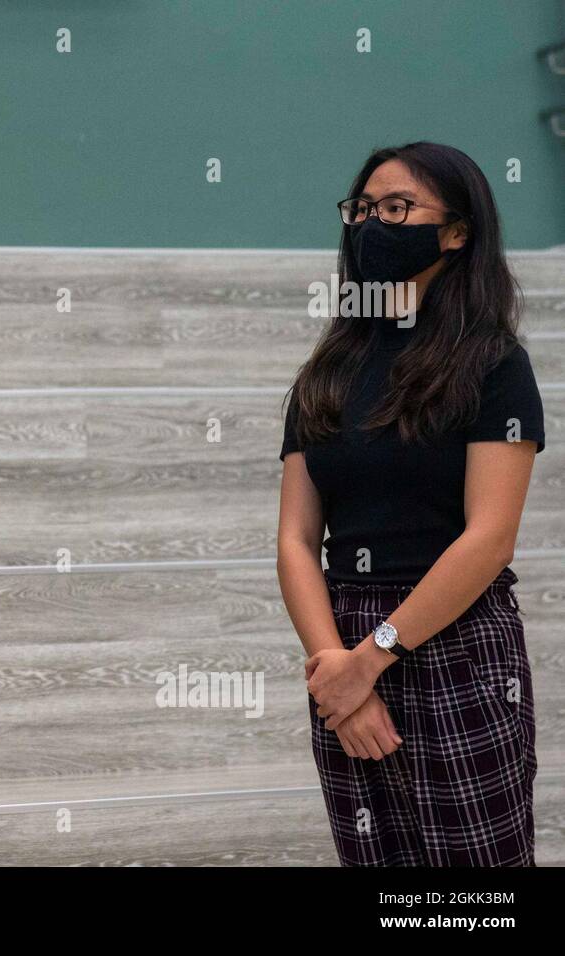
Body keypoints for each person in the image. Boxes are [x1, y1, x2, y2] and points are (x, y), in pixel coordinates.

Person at [277, 142, 545, 866]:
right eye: (362, 209)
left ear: (456, 232)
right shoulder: (326, 372)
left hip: (454, 638)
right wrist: (338, 664)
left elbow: (490, 540)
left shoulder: (494, 363)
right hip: (341, 643)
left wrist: (376, 657)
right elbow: (297, 541)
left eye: (397, 208)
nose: (372, 224)